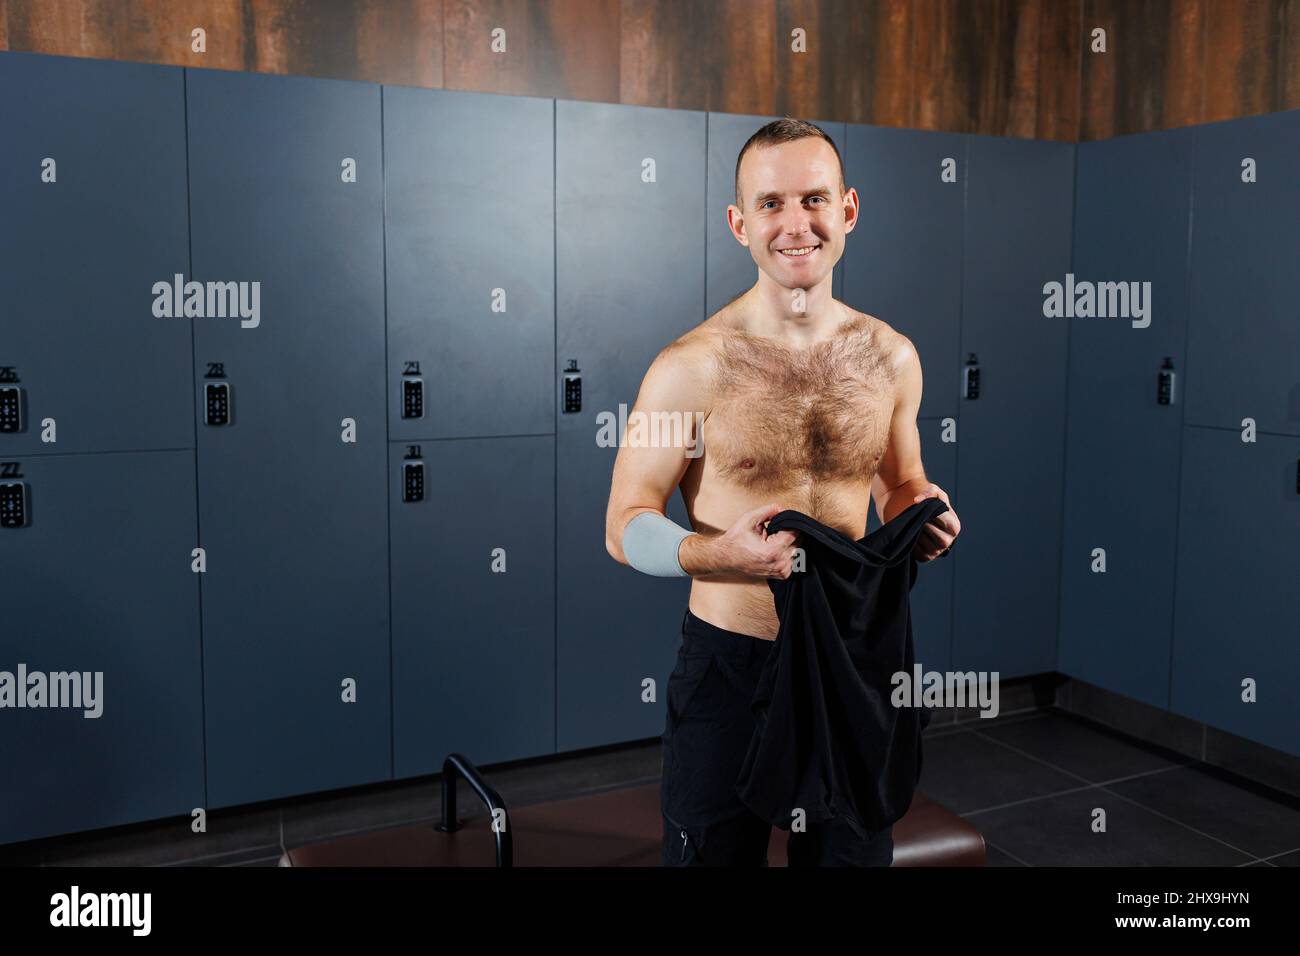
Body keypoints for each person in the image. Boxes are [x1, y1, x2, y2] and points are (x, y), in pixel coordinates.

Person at [605, 118, 961, 866]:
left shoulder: (892, 358)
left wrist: (922, 512)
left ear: (848, 211)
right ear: (739, 224)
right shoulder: (690, 366)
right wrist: (719, 553)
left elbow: (899, 482)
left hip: (848, 664)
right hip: (731, 663)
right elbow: (626, 522)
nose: (795, 224)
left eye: (814, 199)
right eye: (770, 204)